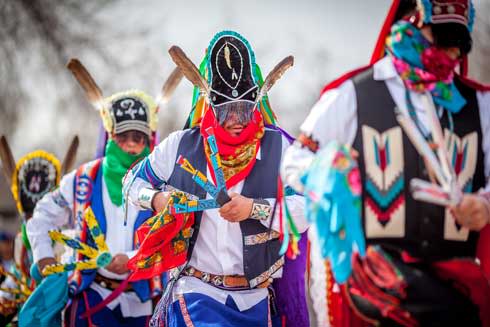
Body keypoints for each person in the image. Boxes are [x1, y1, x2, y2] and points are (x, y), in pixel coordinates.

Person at [281, 0, 490, 325]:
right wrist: (327, 170)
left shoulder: (481, 105)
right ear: (413, 23)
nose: (452, 53)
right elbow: (295, 161)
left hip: (457, 281)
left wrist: (485, 203)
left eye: (460, 41)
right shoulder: (353, 93)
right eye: (444, 36)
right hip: (377, 284)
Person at [124, 31, 308, 326]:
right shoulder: (181, 145)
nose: (236, 119)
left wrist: (254, 208)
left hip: (256, 299)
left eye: (244, 109)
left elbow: (311, 207)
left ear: (257, 102)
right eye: (226, 111)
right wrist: (157, 199)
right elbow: (131, 182)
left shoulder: (279, 149)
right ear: (209, 104)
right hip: (196, 293)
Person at [27, 88, 163, 326]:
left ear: (148, 140)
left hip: (144, 298)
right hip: (91, 294)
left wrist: (132, 259)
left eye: (138, 138)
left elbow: (173, 234)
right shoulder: (83, 178)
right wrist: (44, 258)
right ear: (111, 135)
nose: (131, 146)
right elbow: (41, 217)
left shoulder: (161, 181)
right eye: (124, 137)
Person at [0, 136, 77, 325]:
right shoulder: (20, 241)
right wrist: (3, 298)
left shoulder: (67, 242)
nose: (33, 224)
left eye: (39, 218)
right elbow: (16, 278)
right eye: (28, 216)